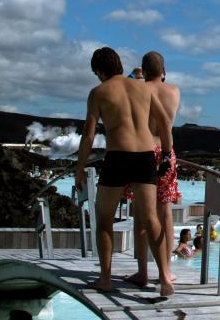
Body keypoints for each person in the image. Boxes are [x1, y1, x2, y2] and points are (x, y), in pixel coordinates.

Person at [74, 47, 174, 296]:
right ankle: (164, 279)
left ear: (99, 71)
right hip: (144, 157)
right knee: (152, 219)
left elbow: (88, 136)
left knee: (104, 218)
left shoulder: (98, 92)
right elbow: (164, 123)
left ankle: (105, 278)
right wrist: (166, 155)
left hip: (117, 157)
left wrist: (79, 169)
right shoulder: (144, 88)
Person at [126, 51, 182, 288]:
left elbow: (125, 84)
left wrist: (136, 76)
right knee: (165, 213)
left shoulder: (140, 88)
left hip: (143, 152)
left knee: (141, 214)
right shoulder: (174, 91)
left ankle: (142, 272)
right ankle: (166, 271)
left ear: (144, 70)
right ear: (164, 70)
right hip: (167, 152)